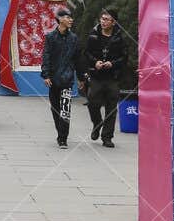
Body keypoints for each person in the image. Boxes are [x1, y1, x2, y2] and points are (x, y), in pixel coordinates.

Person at [80, 9, 129, 148]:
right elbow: (86, 53)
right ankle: (97, 122)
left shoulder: (119, 38)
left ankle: (107, 137)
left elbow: (124, 57)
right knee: (92, 101)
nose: (103, 21)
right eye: (102, 19)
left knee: (111, 107)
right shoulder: (93, 36)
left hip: (112, 77)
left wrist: (112, 63)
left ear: (113, 22)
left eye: (107, 19)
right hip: (96, 76)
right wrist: (95, 62)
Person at [40, 9, 79, 148]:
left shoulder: (74, 38)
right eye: (68, 18)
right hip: (53, 80)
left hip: (67, 80)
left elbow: (77, 59)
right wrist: (45, 75)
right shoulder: (51, 37)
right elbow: (46, 56)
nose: (71, 20)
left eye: (71, 18)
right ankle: (60, 132)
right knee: (55, 108)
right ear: (60, 19)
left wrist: (82, 78)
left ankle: (63, 138)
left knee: (66, 109)